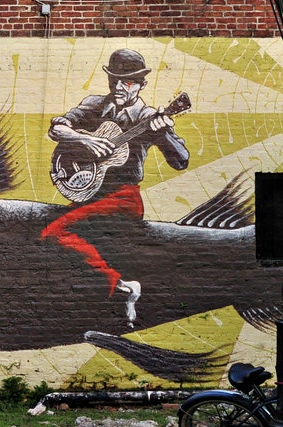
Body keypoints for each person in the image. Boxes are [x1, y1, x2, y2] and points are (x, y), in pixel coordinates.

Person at [41, 49, 189, 322]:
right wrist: (84, 140)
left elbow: (181, 161)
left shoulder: (146, 116)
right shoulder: (95, 104)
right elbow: (56, 129)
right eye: (115, 80)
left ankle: (122, 288)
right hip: (89, 193)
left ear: (142, 84)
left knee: (55, 233)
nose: (120, 87)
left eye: (129, 81)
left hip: (122, 198)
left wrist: (164, 133)